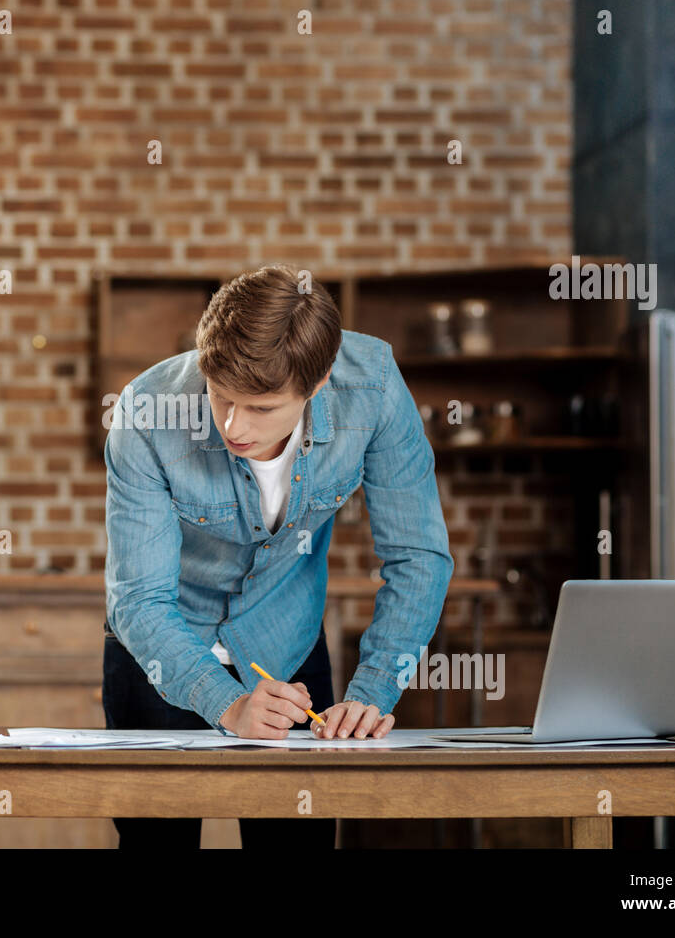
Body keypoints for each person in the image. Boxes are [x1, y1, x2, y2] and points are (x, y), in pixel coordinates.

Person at [102, 263, 454, 848]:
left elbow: (417, 555)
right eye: (221, 398)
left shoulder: (372, 388)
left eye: (261, 408)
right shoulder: (145, 410)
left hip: (286, 638)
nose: (235, 426)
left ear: (318, 386)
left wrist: (370, 697)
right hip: (158, 649)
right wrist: (226, 702)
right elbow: (139, 598)